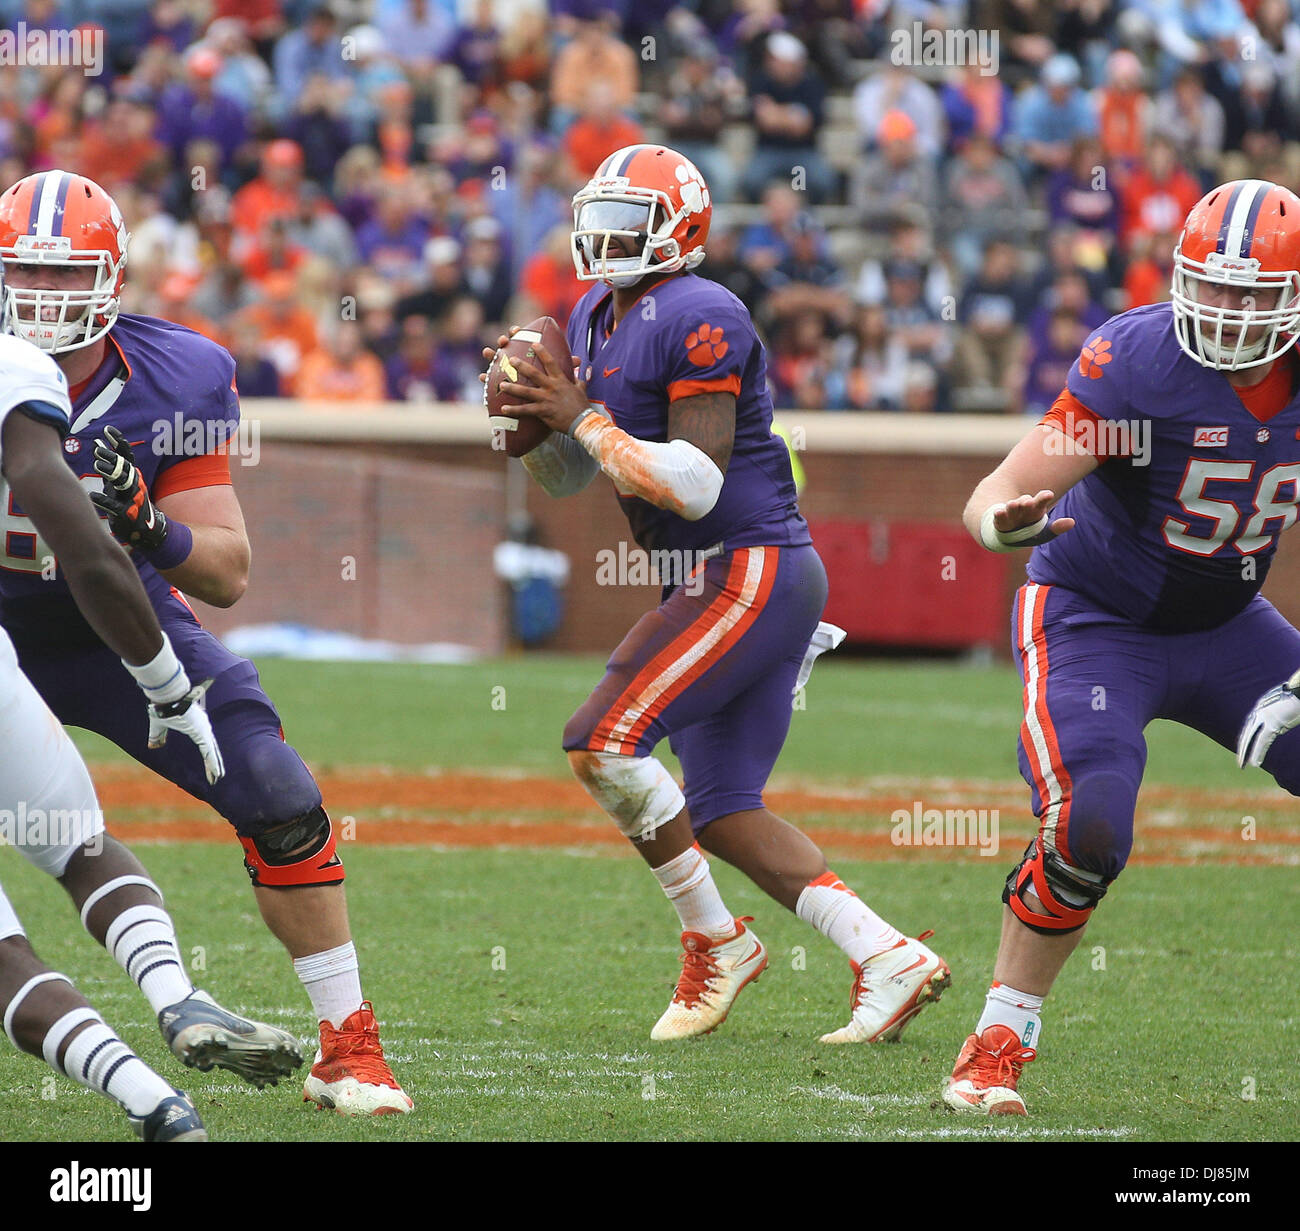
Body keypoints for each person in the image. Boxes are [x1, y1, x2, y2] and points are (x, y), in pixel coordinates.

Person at [488, 144, 949, 1043]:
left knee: (602, 740)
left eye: (630, 222)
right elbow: (564, 477)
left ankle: (715, 938)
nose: (606, 238)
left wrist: (577, 411)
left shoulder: (704, 312)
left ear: (680, 229)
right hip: (711, 573)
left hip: (749, 563)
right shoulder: (589, 314)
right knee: (723, 809)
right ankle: (889, 954)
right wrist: (527, 423)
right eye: (601, 218)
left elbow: (694, 484)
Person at [0, 170, 411, 1116]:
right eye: (27, 273)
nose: (43, 299)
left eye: (67, 280)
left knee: (278, 789)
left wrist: (151, 530)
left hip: (115, 628)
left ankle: (349, 1049)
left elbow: (225, 572)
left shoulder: (178, 374)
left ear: (112, 280)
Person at [946, 179, 1300, 1115]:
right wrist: (1001, 527)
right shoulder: (1139, 359)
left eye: (1251, 295)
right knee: (1089, 826)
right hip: (1097, 617)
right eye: (1210, 287)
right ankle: (998, 1036)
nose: (1224, 312)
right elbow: (1001, 487)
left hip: (1230, 627)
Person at [0, 315, 301, 1142]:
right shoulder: (16, 366)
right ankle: (175, 994)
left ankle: (152, 1101)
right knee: (78, 844)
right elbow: (91, 554)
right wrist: (166, 686)